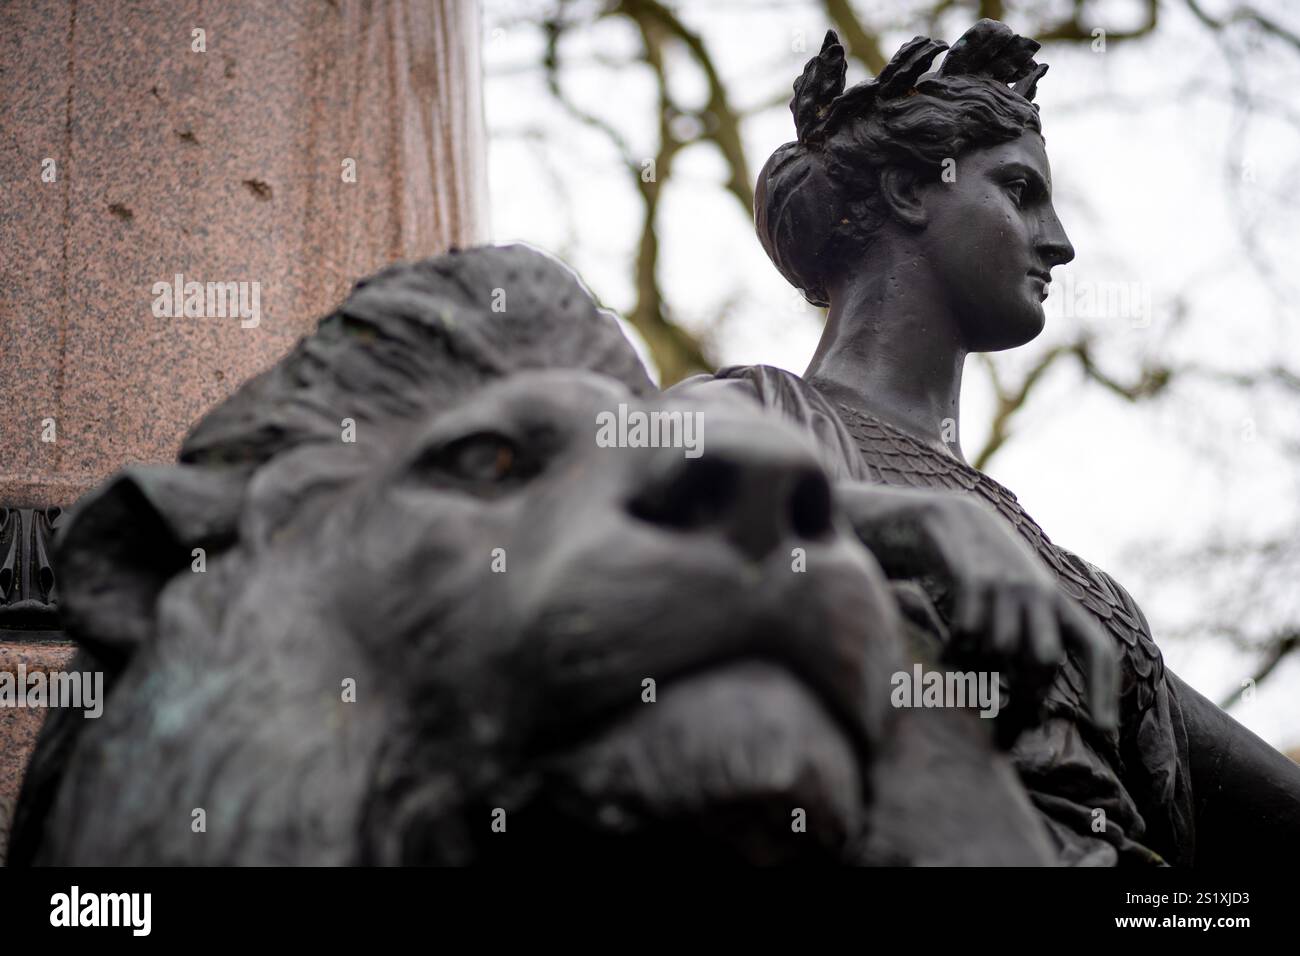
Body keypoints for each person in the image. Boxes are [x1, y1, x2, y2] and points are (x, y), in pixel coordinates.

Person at [676, 19, 1300, 865]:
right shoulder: (755, 415)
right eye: (1018, 190)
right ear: (908, 189)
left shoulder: (1093, 596)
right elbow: (610, 508)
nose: (1059, 241)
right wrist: (920, 528)